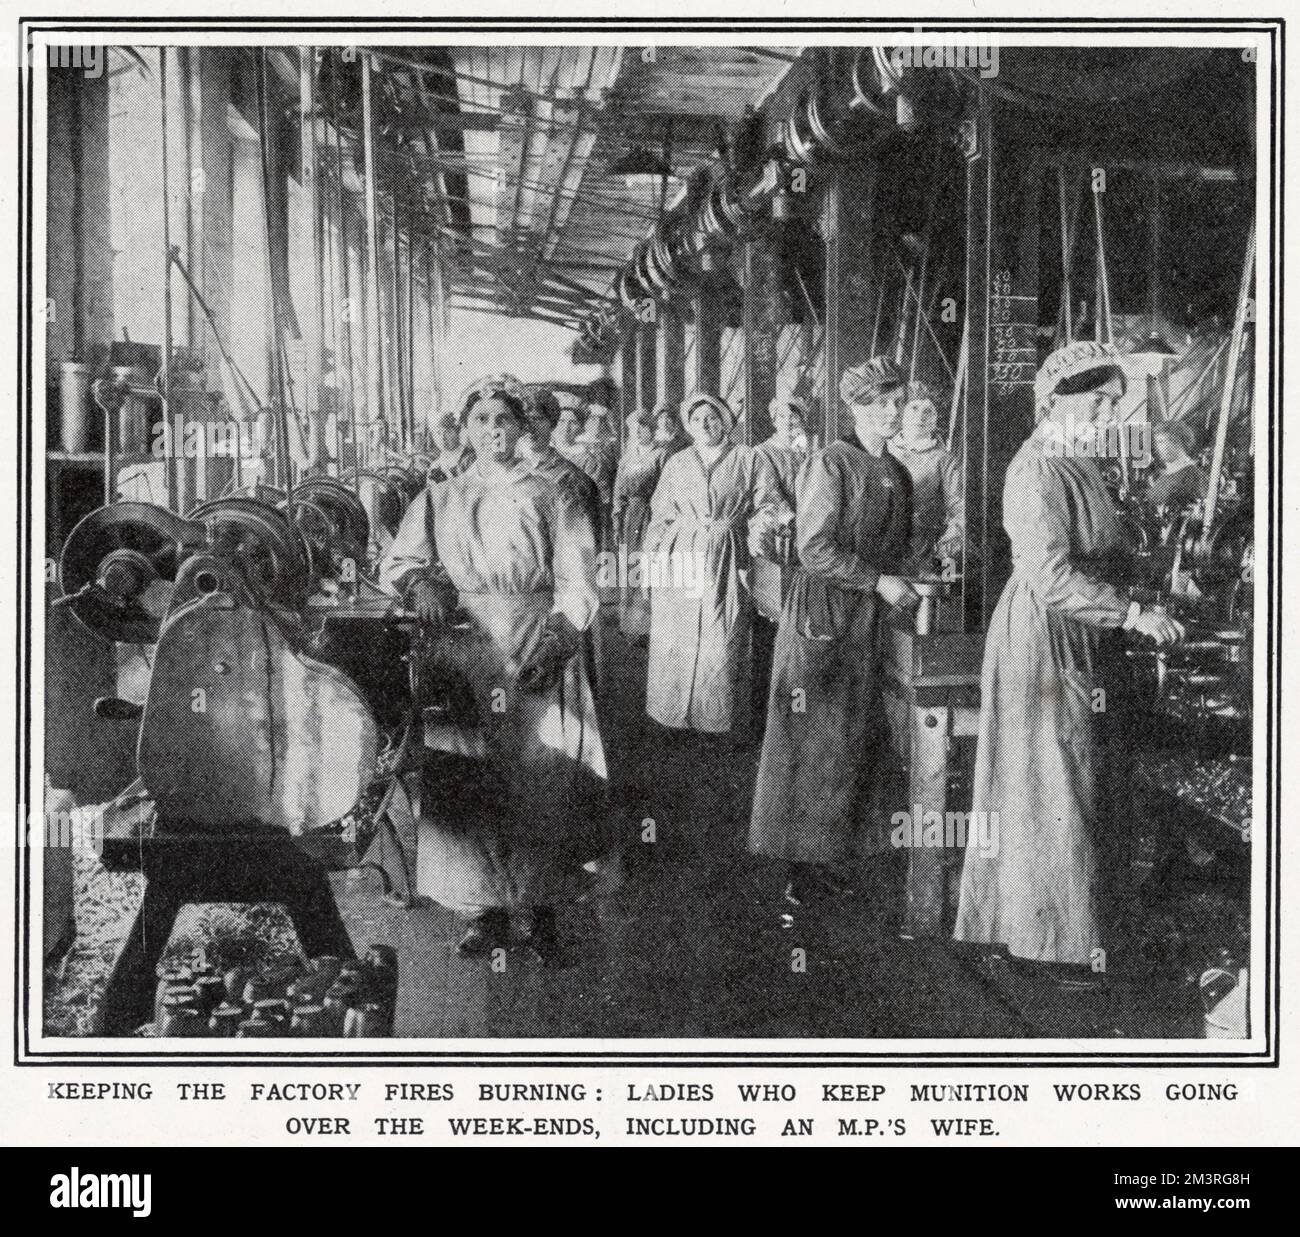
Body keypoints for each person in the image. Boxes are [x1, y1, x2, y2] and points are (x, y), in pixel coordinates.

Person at [953, 342, 1184, 980]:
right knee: (1050, 787)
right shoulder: (1036, 469)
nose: (1111, 411)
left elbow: (1095, 549)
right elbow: (1053, 575)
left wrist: (1144, 582)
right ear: (1055, 401)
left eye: (1115, 400)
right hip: (1045, 635)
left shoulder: (1075, 458)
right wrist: (1132, 613)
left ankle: (1051, 931)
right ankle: (1046, 944)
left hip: (1077, 632)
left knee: (1064, 782)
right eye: (1099, 399)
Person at [378, 375, 607, 962]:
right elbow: (398, 560)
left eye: (502, 420)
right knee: (468, 773)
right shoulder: (441, 494)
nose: (492, 431)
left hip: (534, 633)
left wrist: (562, 631)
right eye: (480, 421)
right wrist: (421, 581)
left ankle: (546, 904)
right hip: (464, 646)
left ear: (521, 426)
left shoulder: (554, 493)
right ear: (466, 429)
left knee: (542, 771)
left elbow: (578, 577)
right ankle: (485, 912)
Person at [748, 358, 917, 905]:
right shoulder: (831, 463)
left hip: (865, 614)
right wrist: (878, 581)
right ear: (857, 408)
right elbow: (813, 550)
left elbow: (897, 546)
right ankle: (799, 869)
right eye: (882, 404)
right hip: (822, 613)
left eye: (898, 402)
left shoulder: (898, 471)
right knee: (811, 740)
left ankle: (832, 854)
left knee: (850, 739)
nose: (893, 413)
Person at [644, 392, 784, 736]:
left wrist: (756, 535)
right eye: (697, 420)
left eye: (712, 417)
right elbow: (661, 515)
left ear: (725, 420)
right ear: (689, 426)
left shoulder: (748, 458)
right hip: (681, 554)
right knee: (676, 636)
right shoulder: (677, 462)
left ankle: (717, 722)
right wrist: (651, 564)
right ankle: (671, 716)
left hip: (727, 552)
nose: (705, 425)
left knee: (723, 636)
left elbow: (769, 505)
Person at [890, 381, 964, 574]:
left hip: (924, 557)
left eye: (928, 411)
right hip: (880, 559)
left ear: (936, 420)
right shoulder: (882, 451)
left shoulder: (945, 461)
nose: (920, 416)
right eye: (914, 408)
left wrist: (943, 557)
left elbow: (961, 511)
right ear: (902, 414)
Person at [612, 407, 667, 638]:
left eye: (642, 427)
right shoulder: (627, 458)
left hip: (652, 515)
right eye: (633, 429)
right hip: (630, 517)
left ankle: (650, 627)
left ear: (652, 429)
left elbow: (667, 489)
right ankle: (630, 624)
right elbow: (618, 491)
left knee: (650, 567)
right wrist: (617, 517)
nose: (637, 432)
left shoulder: (661, 455)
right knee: (631, 566)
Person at [1146, 419, 1209, 511]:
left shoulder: (1193, 476)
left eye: (1161, 441)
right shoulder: (1165, 475)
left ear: (1177, 442)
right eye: (1158, 442)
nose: (1159, 447)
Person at [425, 408, 475, 484]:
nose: (442, 437)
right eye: (438, 432)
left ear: (457, 432)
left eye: (448, 432)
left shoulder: (470, 459)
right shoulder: (435, 465)